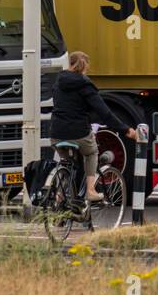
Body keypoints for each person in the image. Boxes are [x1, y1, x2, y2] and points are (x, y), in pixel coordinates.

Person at [50, 51, 138, 201]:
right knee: (91, 152)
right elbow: (105, 113)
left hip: (56, 134)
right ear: (85, 66)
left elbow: (66, 106)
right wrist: (126, 130)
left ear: (70, 64)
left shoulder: (58, 82)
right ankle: (90, 190)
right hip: (78, 133)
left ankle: (61, 197)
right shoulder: (85, 85)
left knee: (70, 164)